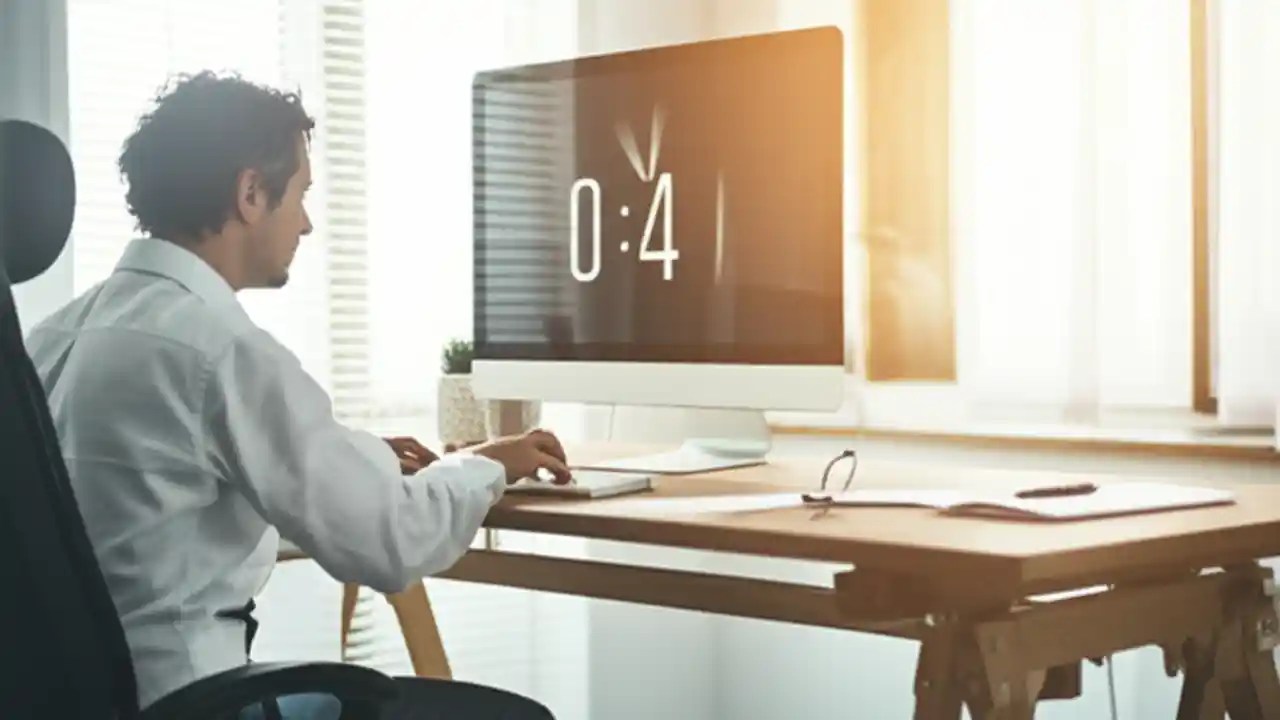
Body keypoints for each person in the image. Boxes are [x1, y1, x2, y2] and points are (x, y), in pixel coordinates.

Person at [24, 71, 569, 719]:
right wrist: (486, 463)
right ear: (251, 192)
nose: (307, 223)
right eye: (302, 194)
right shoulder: (219, 350)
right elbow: (390, 541)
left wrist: (357, 455)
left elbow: (161, 495)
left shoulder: (51, 339)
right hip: (196, 700)